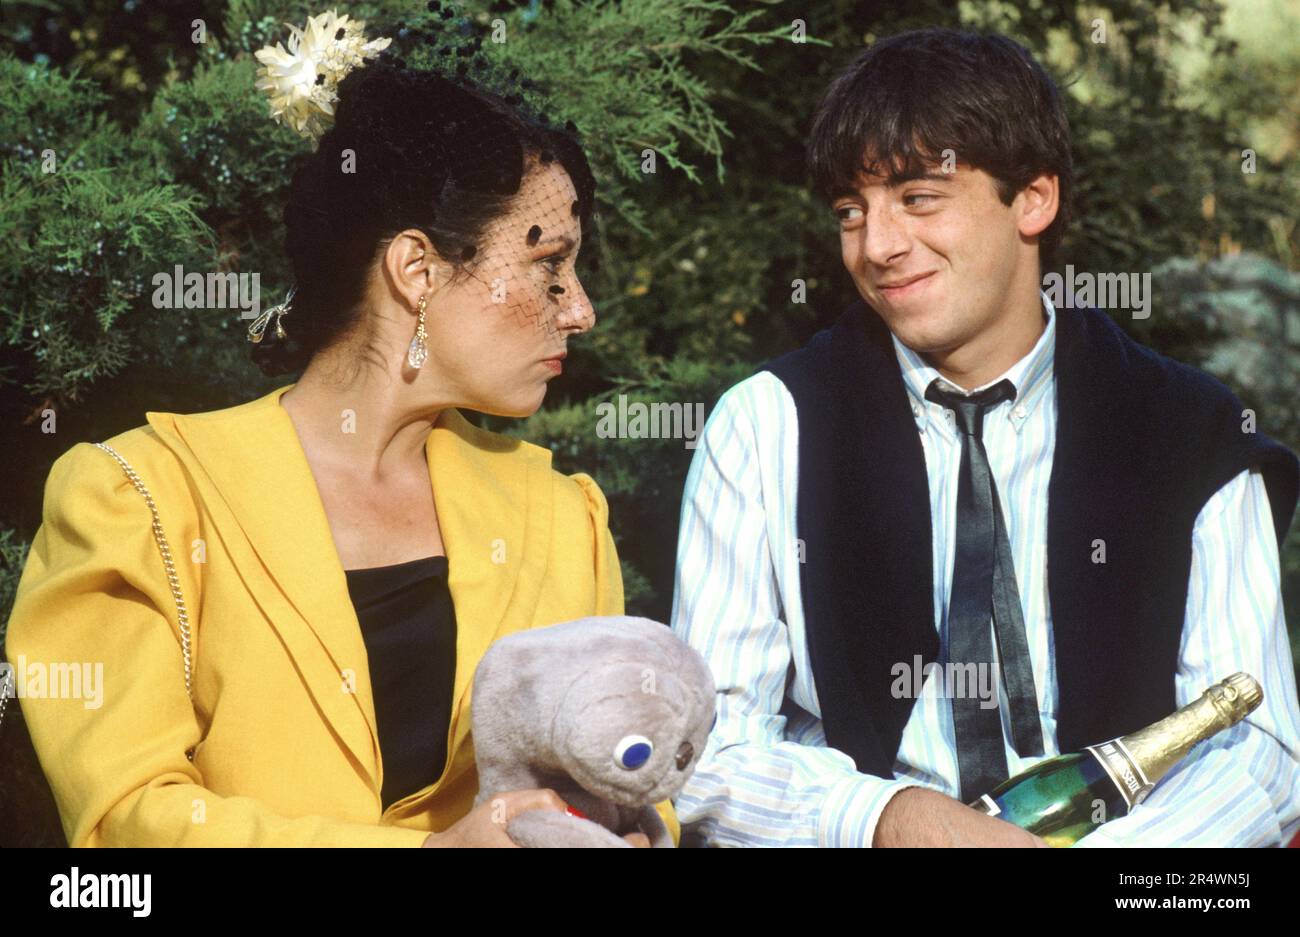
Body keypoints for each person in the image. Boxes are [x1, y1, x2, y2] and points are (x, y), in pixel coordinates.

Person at [5, 18, 677, 848]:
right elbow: (125, 820)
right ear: (417, 271)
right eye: (549, 267)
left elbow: (617, 774)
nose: (580, 309)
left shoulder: (561, 515)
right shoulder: (137, 500)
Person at [669, 27, 1300, 847]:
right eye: (851, 211)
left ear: (1033, 199)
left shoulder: (1190, 430)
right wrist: (885, 817)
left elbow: (1259, 748)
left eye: (919, 197)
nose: (879, 245)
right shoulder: (763, 427)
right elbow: (705, 746)